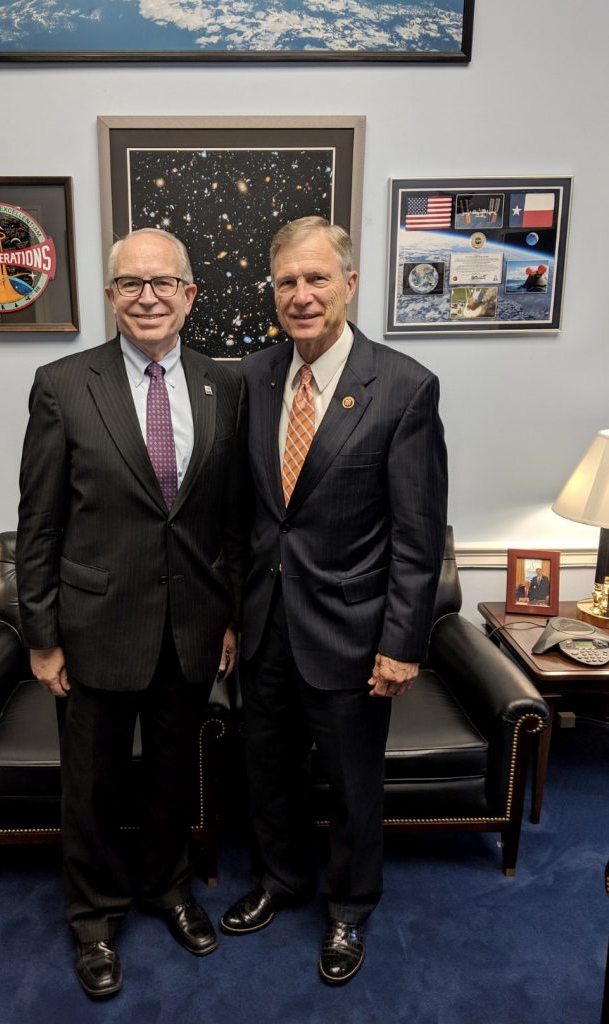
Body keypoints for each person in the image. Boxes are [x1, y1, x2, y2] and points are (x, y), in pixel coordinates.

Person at [15, 228, 245, 999]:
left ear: (189, 295)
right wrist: (42, 637)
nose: (147, 297)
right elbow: (40, 522)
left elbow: (231, 522)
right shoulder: (62, 383)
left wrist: (233, 619)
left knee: (174, 778)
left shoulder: (225, 385)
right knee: (92, 786)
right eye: (130, 284)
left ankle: (168, 889)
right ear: (111, 296)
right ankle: (94, 918)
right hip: (93, 630)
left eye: (163, 283)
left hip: (192, 630)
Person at [220, 216, 448, 985]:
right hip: (263, 625)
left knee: (352, 783)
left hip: (353, 632)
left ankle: (350, 907)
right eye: (287, 282)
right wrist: (230, 614)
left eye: (317, 279)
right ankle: (281, 881)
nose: (302, 295)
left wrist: (402, 642)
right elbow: (245, 516)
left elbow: (417, 535)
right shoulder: (251, 378)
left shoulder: (405, 387)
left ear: (349, 284)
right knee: (268, 768)